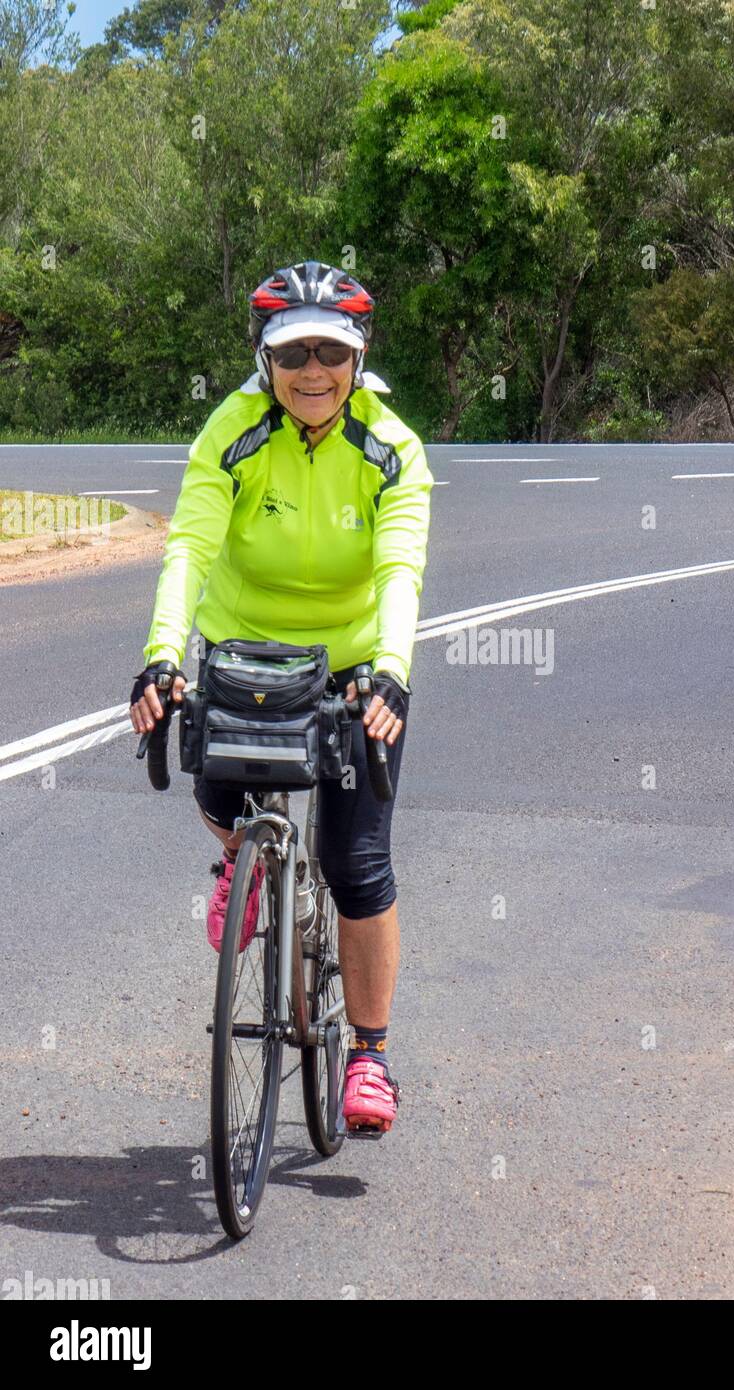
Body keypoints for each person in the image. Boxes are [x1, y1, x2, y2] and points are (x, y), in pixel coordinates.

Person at [129, 260, 433, 1135]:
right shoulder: (232, 428)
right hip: (242, 651)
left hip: (350, 661)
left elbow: (400, 568)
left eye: (329, 352)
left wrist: (389, 673)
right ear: (264, 359)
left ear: (358, 355)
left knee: (356, 860)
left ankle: (369, 1055)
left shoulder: (392, 447)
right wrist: (162, 658)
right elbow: (187, 545)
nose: (312, 371)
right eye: (292, 351)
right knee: (216, 786)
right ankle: (240, 862)